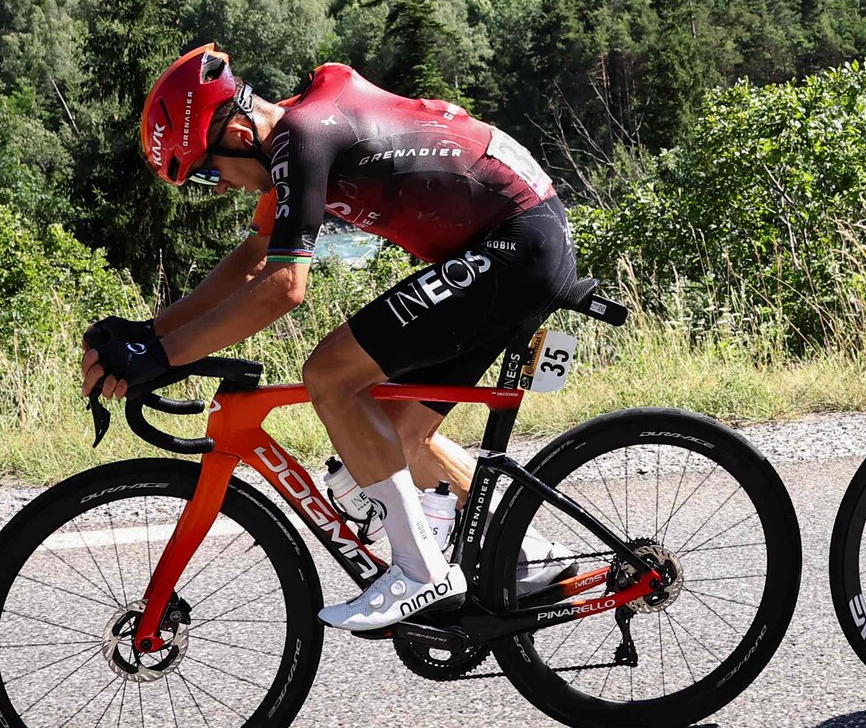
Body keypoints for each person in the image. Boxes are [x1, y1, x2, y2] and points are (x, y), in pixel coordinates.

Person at [87, 44, 586, 631]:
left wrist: (163, 355)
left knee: (329, 374)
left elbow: (283, 288)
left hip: (517, 245)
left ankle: (421, 571)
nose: (217, 187)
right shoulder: (294, 138)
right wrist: (152, 332)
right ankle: (527, 554)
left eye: (206, 171)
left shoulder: (304, 137)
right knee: (392, 431)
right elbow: (254, 259)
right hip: (514, 243)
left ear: (238, 134)